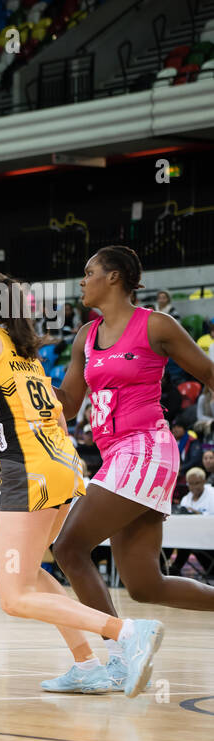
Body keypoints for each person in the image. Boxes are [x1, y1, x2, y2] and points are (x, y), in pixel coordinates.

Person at [0, 268, 162, 697]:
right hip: (61, 466)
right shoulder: (18, 346)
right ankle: (87, 665)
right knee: (30, 575)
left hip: (30, 472)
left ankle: (126, 632)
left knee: (12, 596)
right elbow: (39, 412)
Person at [50, 245, 214, 623]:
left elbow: (208, 372)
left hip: (145, 449)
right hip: (118, 457)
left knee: (70, 548)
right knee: (145, 587)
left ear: (114, 277)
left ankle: (119, 652)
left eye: (89, 272)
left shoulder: (155, 324)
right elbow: (70, 403)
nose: (82, 281)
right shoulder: (85, 335)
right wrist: (27, 378)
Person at [169, 466, 214, 578]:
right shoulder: (186, 499)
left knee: (185, 543)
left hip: (209, 538)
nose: (194, 487)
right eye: (190, 484)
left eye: (197, 483)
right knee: (177, 541)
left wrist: (197, 514)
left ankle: (175, 568)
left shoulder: (212, 495)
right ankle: (167, 568)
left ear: (204, 481)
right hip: (191, 538)